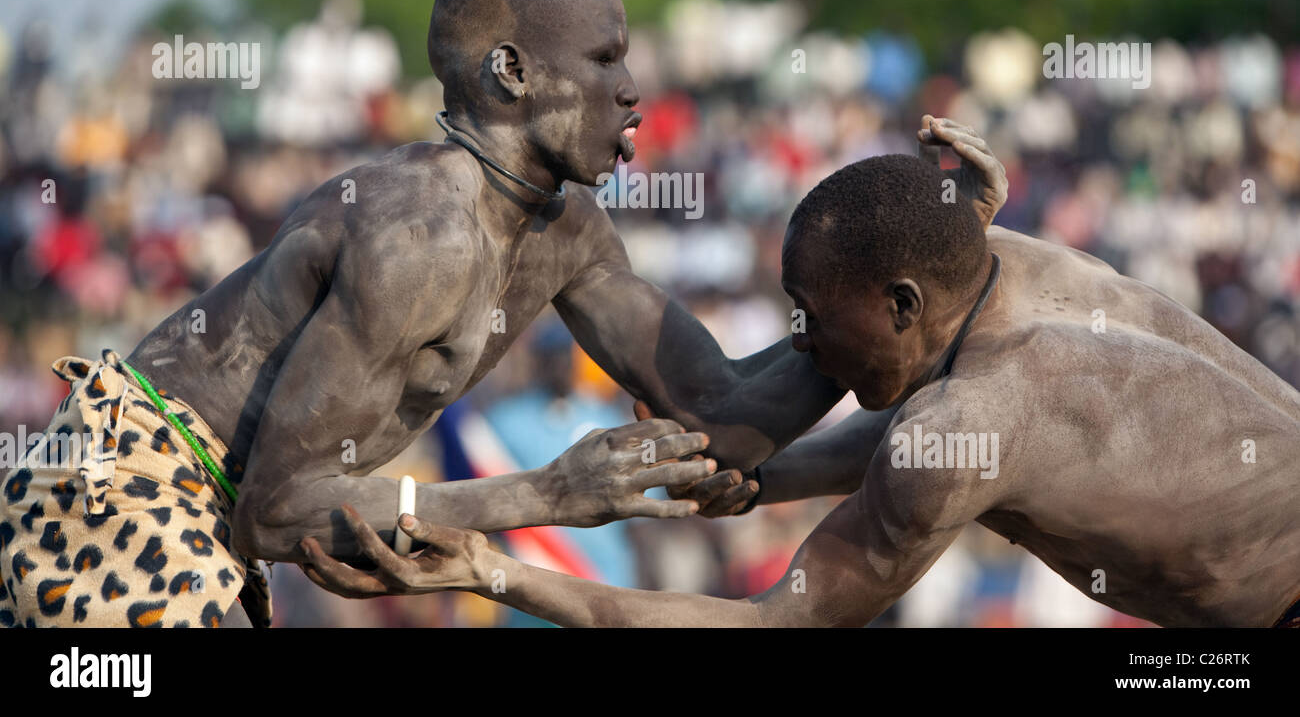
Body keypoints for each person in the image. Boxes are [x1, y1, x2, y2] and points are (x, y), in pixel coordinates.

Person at [0, 0, 1007, 628]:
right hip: (118, 490)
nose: (632, 90)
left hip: (196, 512)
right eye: (604, 59)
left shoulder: (567, 229)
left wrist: (926, 275)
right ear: (513, 73)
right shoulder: (418, 232)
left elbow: (724, 413)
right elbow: (273, 511)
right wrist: (543, 493)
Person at [307, 153, 1300, 628]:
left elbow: (769, 625)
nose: (803, 343)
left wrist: (496, 570)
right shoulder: (1021, 273)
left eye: (812, 314)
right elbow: (948, 434)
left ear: (905, 300)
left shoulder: (971, 418)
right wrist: (765, 480)